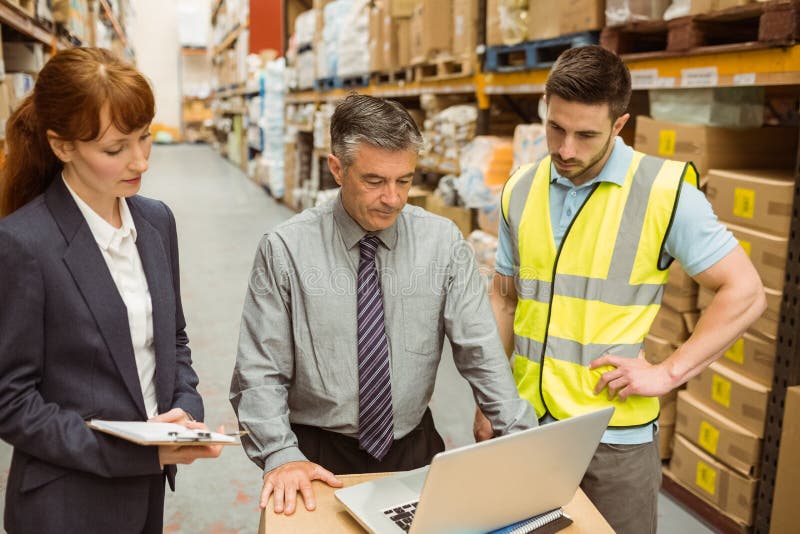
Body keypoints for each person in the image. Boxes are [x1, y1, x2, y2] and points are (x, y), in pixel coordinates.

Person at [473, 45, 766, 534]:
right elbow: (505, 297)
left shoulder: (663, 191)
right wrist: (490, 396)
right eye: (556, 128)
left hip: (611, 438)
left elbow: (746, 291)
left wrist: (669, 372)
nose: (566, 149)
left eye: (586, 134)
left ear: (619, 125)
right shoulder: (520, 187)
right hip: (524, 424)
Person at [230, 93, 537, 516]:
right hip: (315, 456)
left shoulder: (442, 243)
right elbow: (259, 370)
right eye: (374, 181)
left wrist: (520, 437)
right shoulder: (286, 250)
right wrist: (281, 454)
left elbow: (480, 349)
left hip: (413, 449)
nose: (392, 198)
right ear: (337, 168)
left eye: (404, 181)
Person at [0, 48, 222, 534]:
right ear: (63, 147)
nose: (140, 160)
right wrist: (134, 450)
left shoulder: (156, 222)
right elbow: (11, 402)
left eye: (144, 137)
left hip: (145, 492)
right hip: (66, 502)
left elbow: (173, 339)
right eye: (115, 148)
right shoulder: (23, 244)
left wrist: (185, 410)